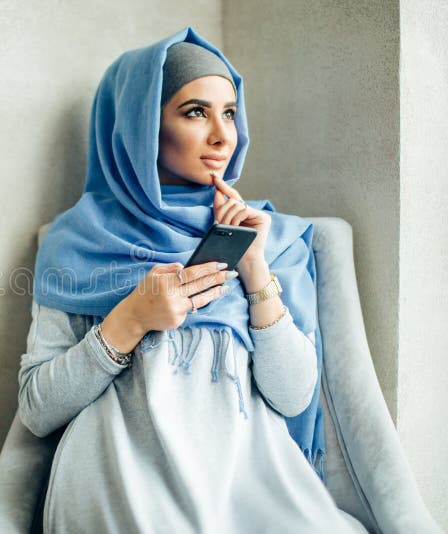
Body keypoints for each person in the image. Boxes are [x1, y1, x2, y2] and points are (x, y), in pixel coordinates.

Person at [19, 27, 368, 533]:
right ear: (141, 126)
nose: (224, 135)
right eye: (195, 112)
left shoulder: (274, 237)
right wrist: (130, 318)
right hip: (121, 486)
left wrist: (254, 268)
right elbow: (37, 409)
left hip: (250, 485)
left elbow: (293, 396)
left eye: (228, 112)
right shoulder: (76, 242)